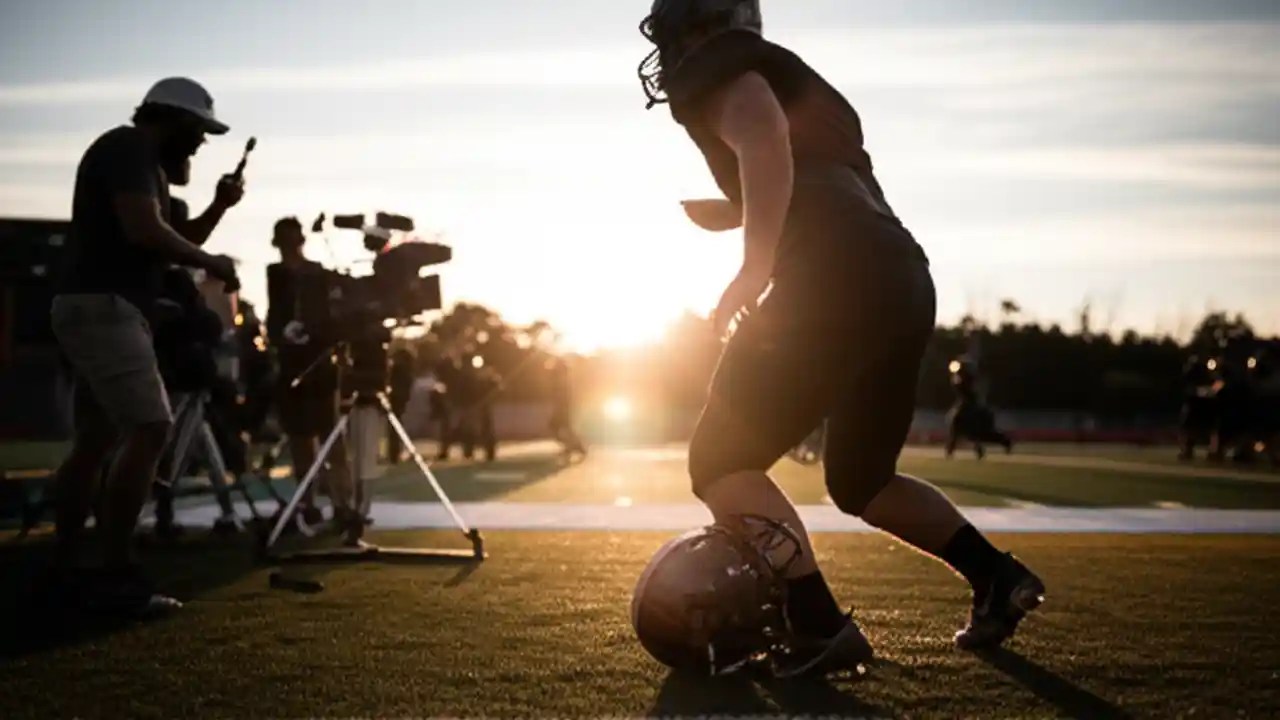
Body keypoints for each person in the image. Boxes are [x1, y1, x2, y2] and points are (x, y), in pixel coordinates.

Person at [637, 0, 1044, 675]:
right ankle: (996, 577)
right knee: (862, 481)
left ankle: (817, 624)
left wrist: (754, 267)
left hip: (831, 273)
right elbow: (797, 166)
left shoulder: (718, 71)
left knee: (718, 462)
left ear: (690, 27)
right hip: (902, 273)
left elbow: (763, 133)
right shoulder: (806, 83)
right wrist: (733, 213)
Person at [46, 77, 243, 617]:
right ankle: (116, 575)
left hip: (92, 306)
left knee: (95, 441)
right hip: (106, 306)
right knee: (151, 428)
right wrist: (213, 265)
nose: (202, 143)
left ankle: (65, 567)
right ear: (173, 120)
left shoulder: (144, 165)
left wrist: (220, 206)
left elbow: (174, 235)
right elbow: (144, 231)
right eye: (199, 131)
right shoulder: (130, 147)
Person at [265, 217, 354, 529]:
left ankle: (341, 501)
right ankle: (310, 503)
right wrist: (282, 334)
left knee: (330, 437)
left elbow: (332, 315)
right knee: (302, 439)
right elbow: (275, 316)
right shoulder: (276, 274)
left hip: (318, 360)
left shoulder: (318, 274)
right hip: (292, 363)